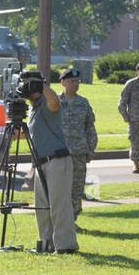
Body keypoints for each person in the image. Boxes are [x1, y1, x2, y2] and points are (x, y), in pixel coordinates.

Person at [19, 73, 77, 254]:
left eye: (29, 85)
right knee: (42, 207)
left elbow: (55, 103)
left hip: (57, 161)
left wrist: (41, 86)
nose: (26, 89)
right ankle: (46, 244)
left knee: (59, 205)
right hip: (40, 163)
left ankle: (65, 245)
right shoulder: (34, 109)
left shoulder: (48, 102)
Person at [58, 68, 98, 230]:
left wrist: (90, 150)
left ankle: (72, 221)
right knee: (61, 188)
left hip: (79, 153)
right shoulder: (56, 102)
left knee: (77, 189)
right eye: (71, 82)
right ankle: (62, 222)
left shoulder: (83, 102)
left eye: (77, 81)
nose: (75, 84)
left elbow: (90, 128)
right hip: (60, 153)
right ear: (63, 83)